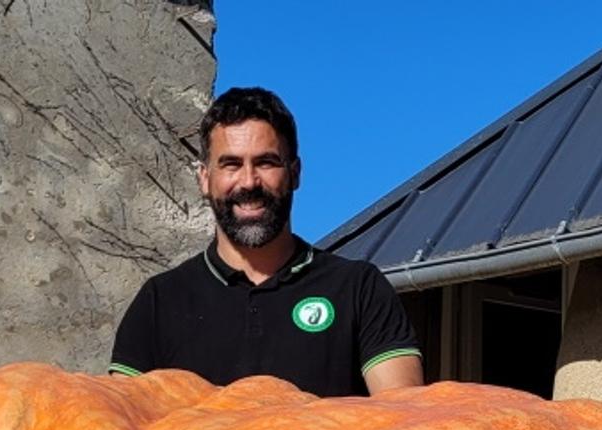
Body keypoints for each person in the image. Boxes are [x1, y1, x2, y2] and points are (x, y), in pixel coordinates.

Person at [109, 87, 423, 397]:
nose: (248, 182)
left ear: (295, 173)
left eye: (266, 163)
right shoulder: (159, 301)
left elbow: (401, 421)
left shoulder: (359, 289)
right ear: (205, 178)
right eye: (231, 164)